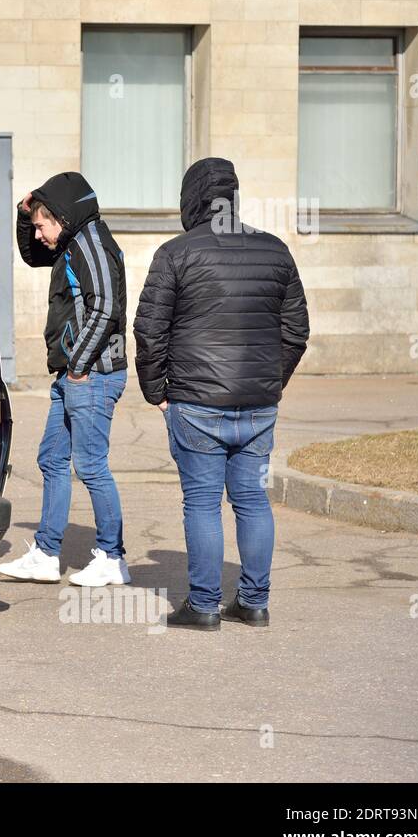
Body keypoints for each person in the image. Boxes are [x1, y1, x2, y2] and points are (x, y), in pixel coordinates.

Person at [133, 157, 310, 630]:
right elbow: (297, 331)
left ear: (189, 198)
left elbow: (150, 331)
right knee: (252, 500)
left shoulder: (175, 252)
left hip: (195, 403)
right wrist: (269, 382)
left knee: (203, 503)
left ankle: (205, 606)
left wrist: (157, 392)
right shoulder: (275, 250)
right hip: (257, 406)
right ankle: (254, 603)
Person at [0, 173, 129, 587]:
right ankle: (46, 553)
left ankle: (112, 557)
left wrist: (78, 366)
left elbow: (106, 306)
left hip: (92, 375)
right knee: (52, 460)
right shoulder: (71, 243)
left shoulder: (90, 243)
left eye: (41, 225)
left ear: (63, 216)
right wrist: (24, 217)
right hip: (74, 374)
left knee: (90, 466)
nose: (38, 234)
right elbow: (32, 255)